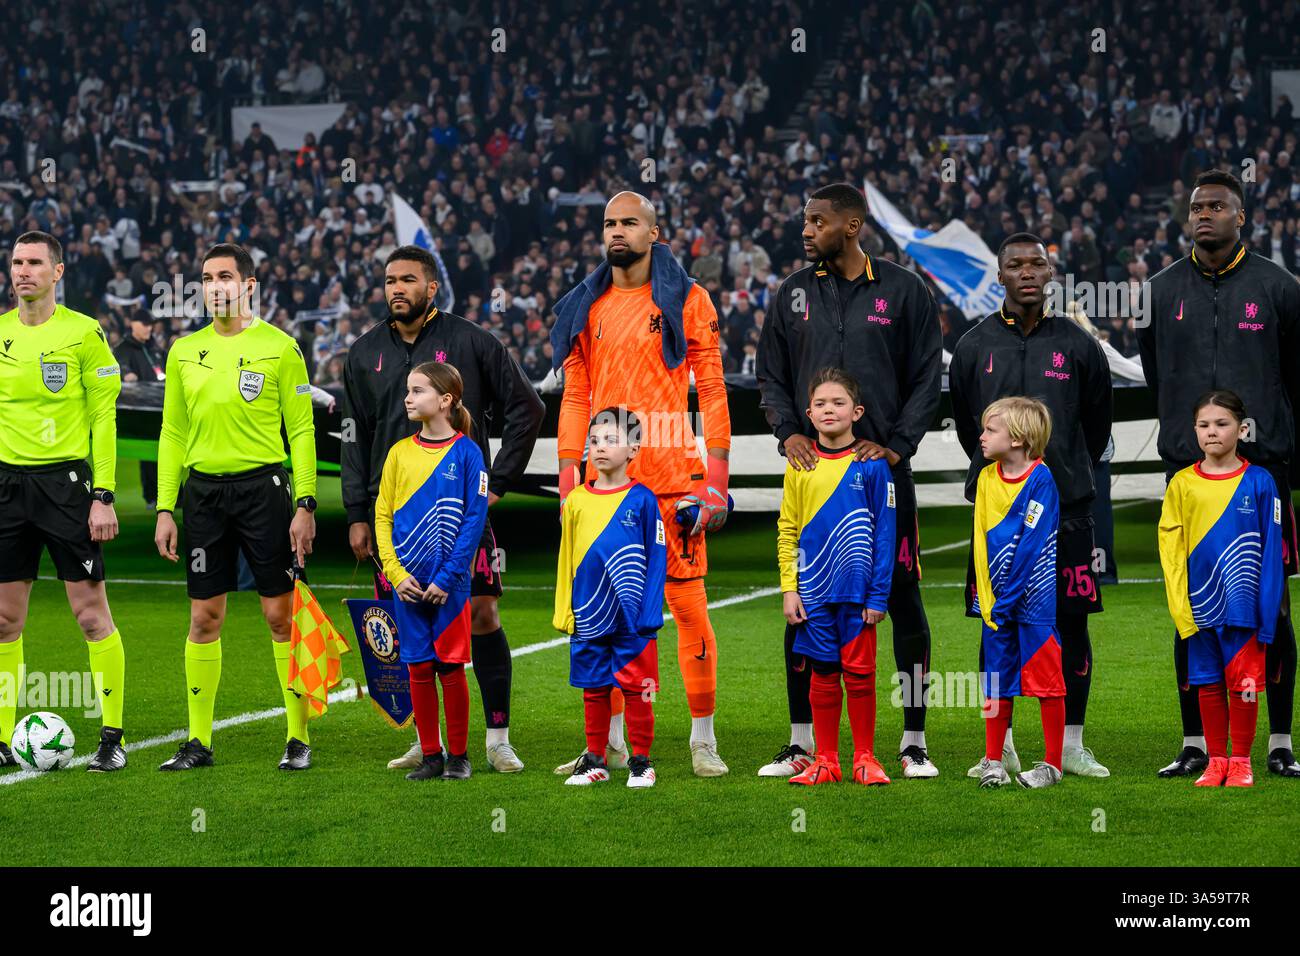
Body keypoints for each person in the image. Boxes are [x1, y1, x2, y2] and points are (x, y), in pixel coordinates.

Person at [756, 182, 942, 778]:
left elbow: (925, 381)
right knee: (805, 606)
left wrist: (896, 447)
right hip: (814, 476)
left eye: (816, 221)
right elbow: (770, 377)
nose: (805, 229)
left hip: (880, 480)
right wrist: (789, 432)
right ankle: (804, 742)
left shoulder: (906, 291)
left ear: (852, 226)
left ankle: (912, 740)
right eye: (805, 219)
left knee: (903, 605)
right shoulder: (790, 295)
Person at [551, 191, 733, 778]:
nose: (617, 232)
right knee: (603, 615)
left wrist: (717, 483)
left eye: (630, 222)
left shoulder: (688, 299)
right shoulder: (587, 307)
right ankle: (610, 746)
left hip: (674, 480)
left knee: (686, 608)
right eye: (609, 223)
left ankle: (702, 739)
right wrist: (566, 474)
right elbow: (576, 395)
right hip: (604, 486)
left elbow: (712, 389)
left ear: (654, 233)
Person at [343, 245, 543, 774]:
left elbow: (529, 406)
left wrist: (496, 484)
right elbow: (352, 437)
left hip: (460, 517)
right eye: (389, 280)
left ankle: (496, 737)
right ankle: (427, 744)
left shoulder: (473, 341)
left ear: (432, 288)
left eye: (408, 280)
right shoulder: (363, 354)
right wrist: (357, 513)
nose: (396, 289)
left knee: (481, 615)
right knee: (413, 626)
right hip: (399, 528)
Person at [1137, 169, 1300, 779]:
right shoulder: (1158, 290)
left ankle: (1278, 742)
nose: (1203, 214)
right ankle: (1197, 744)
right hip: (1190, 474)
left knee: (1272, 612)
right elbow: (1157, 374)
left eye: (1217, 206)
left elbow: (1295, 378)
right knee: (1190, 607)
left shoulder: (1279, 287)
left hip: (1263, 472)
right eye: (1196, 206)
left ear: (1242, 218)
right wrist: (1190, 437)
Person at [949, 233, 1113, 778]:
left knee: (1069, 624)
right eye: (1014, 264)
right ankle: (1002, 750)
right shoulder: (973, 347)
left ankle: (1068, 746)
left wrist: (1062, 472)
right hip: (993, 514)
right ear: (999, 276)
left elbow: (1097, 426)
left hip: (1066, 514)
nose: (1026, 272)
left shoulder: (1079, 344)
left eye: (1036, 264)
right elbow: (967, 418)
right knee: (995, 623)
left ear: (1050, 273)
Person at [153, 243, 318, 772]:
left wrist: (306, 502)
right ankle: (198, 742)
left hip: (264, 491)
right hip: (202, 496)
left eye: (225, 276)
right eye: (206, 277)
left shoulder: (281, 347)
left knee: (278, 615)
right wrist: (164, 507)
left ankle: (297, 738)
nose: (215, 285)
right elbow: (173, 431)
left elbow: (301, 428)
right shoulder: (183, 351)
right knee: (204, 617)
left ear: (249, 285)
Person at [0, 231, 127, 773]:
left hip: (67, 487)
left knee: (91, 615)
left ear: (57, 272)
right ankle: (3, 737)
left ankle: (112, 737)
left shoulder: (84, 334)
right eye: (16, 262)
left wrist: (102, 495)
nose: (23, 271)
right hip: (7, 488)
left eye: (34, 263)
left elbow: (104, 418)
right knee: (4, 620)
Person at [1158, 390, 1284, 788]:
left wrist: (1266, 614)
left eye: (1222, 423)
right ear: (1194, 430)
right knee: (1208, 683)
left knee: (1245, 686)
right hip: (1199, 607)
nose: (1212, 432)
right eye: (1204, 425)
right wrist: (1181, 609)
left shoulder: (1261, 482)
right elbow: (1172, 552)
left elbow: (1271, 553)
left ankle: (1242, 760)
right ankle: (1216, 761)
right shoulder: (1181, 484)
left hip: (1244, 609)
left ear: (1242, 429)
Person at [777, 369, 895, 787]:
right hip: (813, 593)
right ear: (809, 414)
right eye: (821, 404)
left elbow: (885, 532)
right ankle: (826, 760)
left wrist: (878, 595)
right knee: (824, 674)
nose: (829, 409)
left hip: (859, 594)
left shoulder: (874, 466)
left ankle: (865, 757)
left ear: (856, 412)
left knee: (860, 674)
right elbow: (788, 527)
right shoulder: (800, 464)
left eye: (838, 402)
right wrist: (790, 588)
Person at [375, 362, 489, 781]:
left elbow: (474, 520)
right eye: (408, 390)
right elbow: (382, 516)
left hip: (449, 585)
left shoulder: (468, 453)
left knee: (451, 667)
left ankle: (459, 756)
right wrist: (396, 573)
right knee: (418, 668)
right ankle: (431, 755)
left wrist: (448, 577)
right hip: (406, 585)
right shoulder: (398, 453)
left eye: (418, 390)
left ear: (445, 400)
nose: (408, 397)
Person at [553, 407, 666, 788]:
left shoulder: (643, 500)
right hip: (588, 615)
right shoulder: (577, 501)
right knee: (594, 688)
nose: (600, 448)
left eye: (612, 440)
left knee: (638, 690)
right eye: (594, 441)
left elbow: (658, 556)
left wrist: (650, 612)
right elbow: (566, 556)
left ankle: (641, 761)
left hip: (632, 618)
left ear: (633, 449)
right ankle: (595, 760)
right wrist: (564, 609)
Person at [970, 397, 1067, 790]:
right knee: (996, 681)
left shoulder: (1041, 480)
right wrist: (986, 597)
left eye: (991, 429)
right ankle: (994, 761)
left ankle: (1053, 765)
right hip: (996, 603)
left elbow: (1030, 544)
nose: (982, 436)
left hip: (1033, 603)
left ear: (1019, 438)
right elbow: (979, 539)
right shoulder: (985, 478)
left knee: (1048, 681)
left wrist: (1007, 598)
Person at [114, 310, 165, 508]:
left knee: (167, 453)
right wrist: (126, 374)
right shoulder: (124, 349)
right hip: (141, 411)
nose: (148, 328)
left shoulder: (154, 348)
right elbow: (119, 367)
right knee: (149, 454)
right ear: (132, 324)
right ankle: (152, 495)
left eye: (150, 324)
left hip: (163, 408)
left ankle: (175, 494)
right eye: (144, 323)